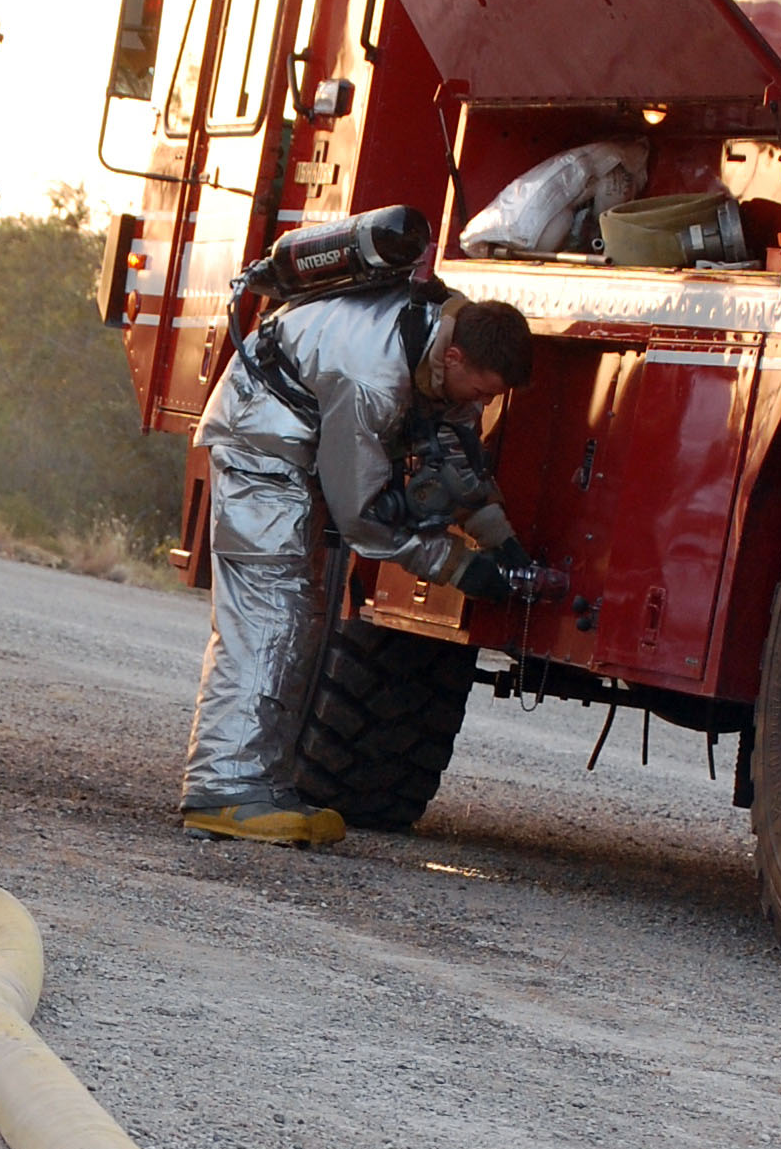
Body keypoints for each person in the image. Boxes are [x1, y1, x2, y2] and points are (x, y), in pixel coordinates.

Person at [180, 281, 536, 844]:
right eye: (482, 389)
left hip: (299, 436)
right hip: (259, 441)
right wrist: (458, 567)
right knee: (272, 616)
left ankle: (261, 785)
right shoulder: (371, 376)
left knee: (301, 616)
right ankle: (222, 792)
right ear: (456, 357)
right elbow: (363, 517)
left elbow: (456, 464)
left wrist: (500, 539)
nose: (483, 403)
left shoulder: (445, 357)